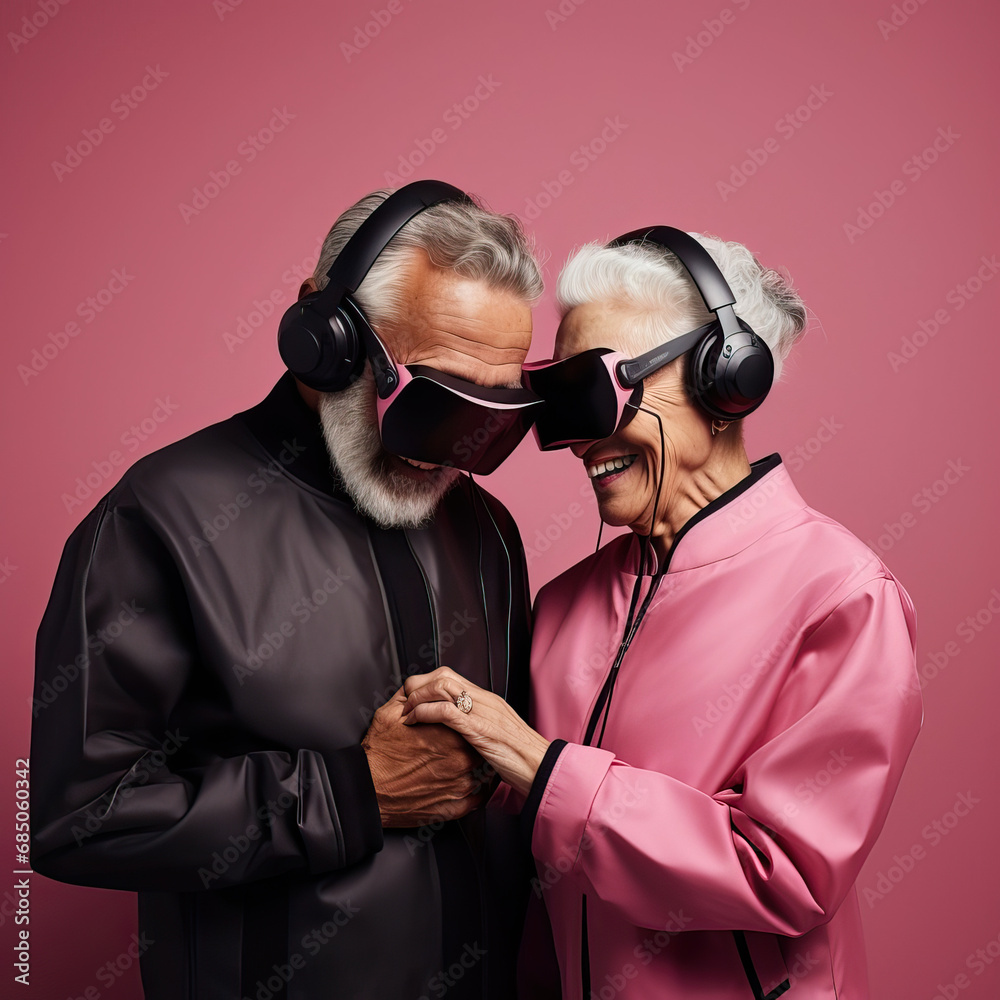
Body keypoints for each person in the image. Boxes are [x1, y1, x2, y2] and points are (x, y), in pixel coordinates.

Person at [29, 181, 544, 999]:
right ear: (323, 335)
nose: (451, 448)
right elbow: (75, 820)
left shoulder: (487, 531)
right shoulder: (159, 516)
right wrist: (350, 794)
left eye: (487, 413)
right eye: (432, 399)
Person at [400, 227, 923, 998]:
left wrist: (543, 771)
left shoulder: (844, 598)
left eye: (592, 392)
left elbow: (785, 873)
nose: (577, 440)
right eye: (556, 403)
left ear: (725, 379)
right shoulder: (565, 603)